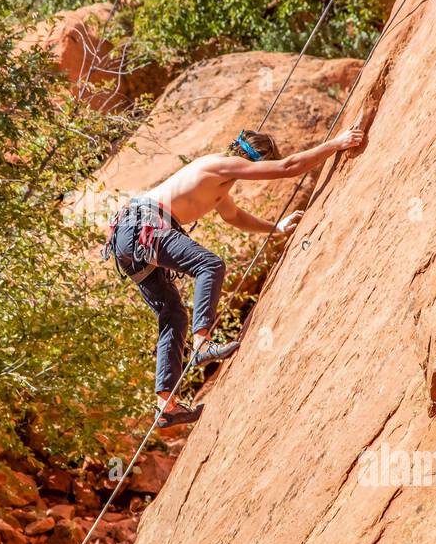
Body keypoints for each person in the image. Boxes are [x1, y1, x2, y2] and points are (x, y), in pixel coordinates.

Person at [103, 125, 364, 426]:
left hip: (129, 237)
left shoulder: (220, 182)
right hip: (143, 226)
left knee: (173, 314)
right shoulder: (218, 164)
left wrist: (275, 228)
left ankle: (166, 405)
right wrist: (336, 143)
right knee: (209, 265)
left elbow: (233, 216)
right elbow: (287, 167)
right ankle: (202, 344)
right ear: (254, 160)